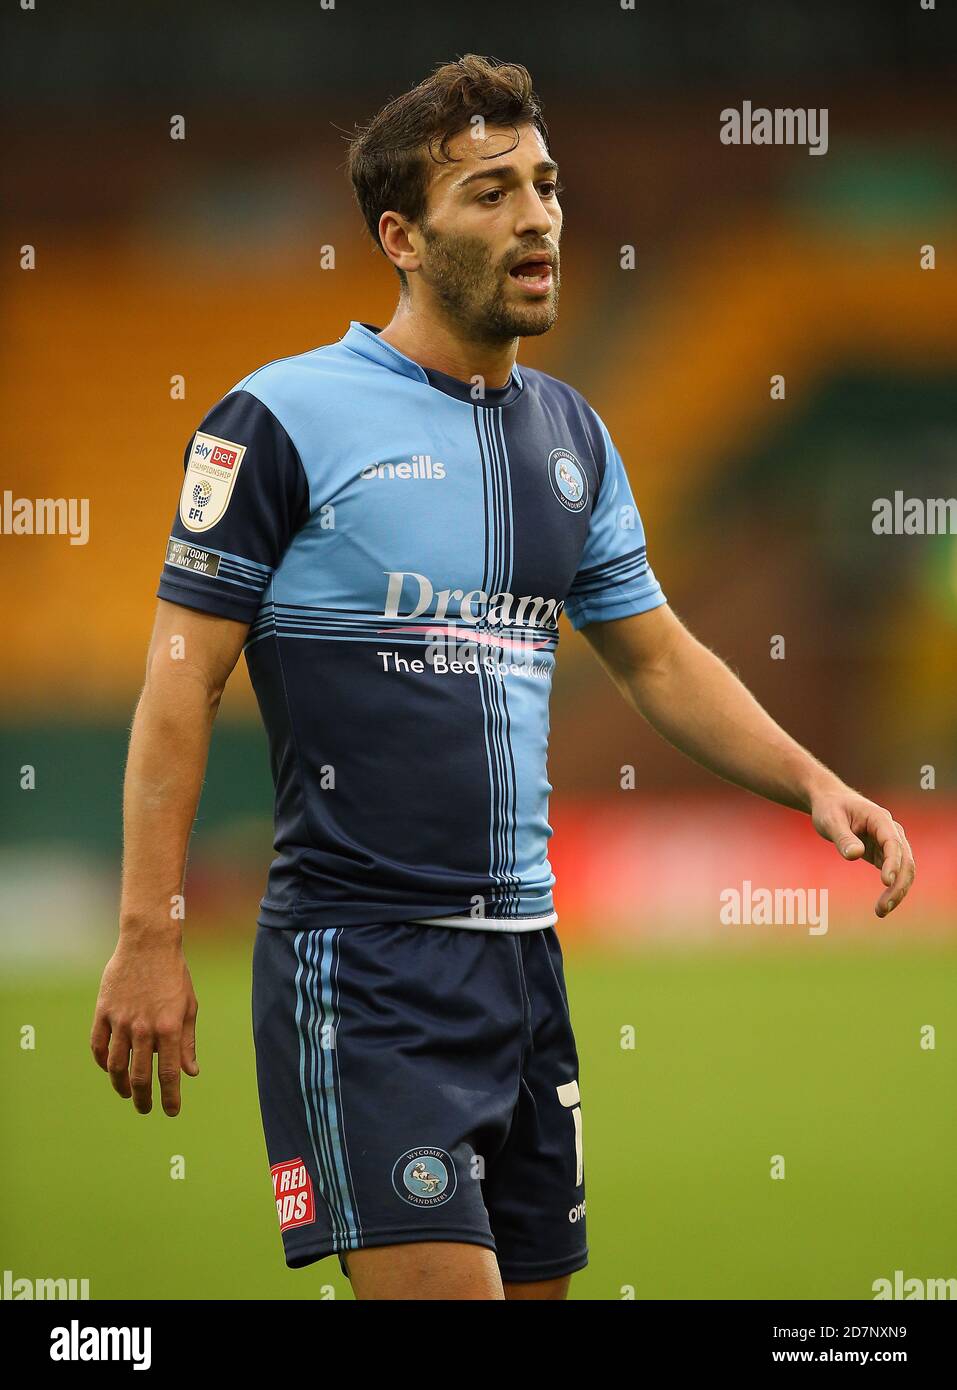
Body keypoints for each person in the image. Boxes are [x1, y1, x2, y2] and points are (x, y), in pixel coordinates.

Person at [91, 54, 915, 1301]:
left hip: (526, 968)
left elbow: (656, 654)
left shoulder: (574, 434)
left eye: (546, 185)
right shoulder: (280, 419)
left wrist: (815, 783)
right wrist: (147, 934)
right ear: (401, 237)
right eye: (489, 193)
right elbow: (179, 685)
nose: (537, 216)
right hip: (363, 964)